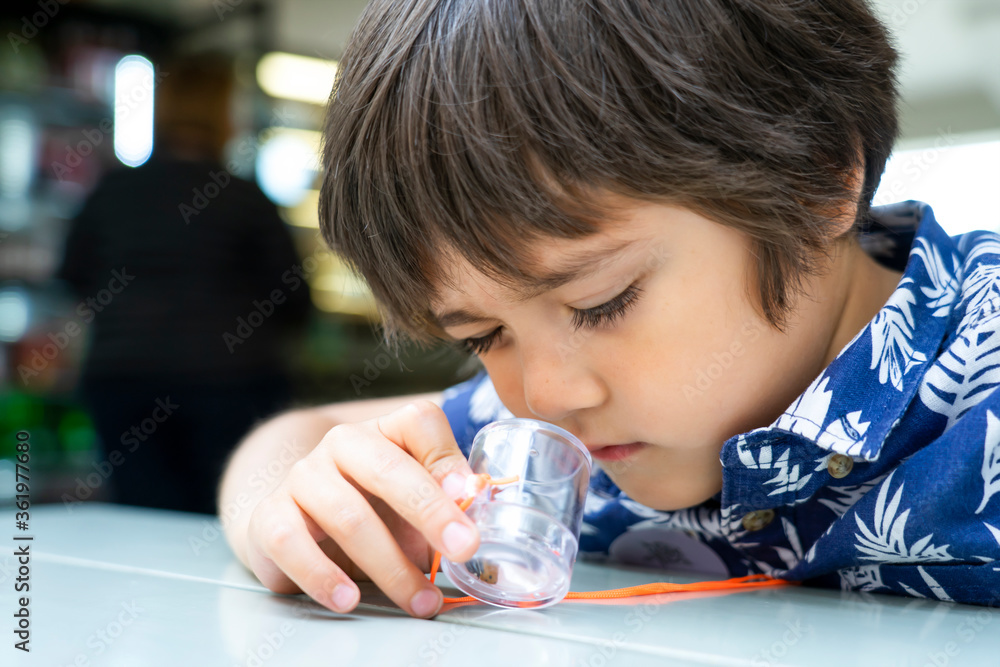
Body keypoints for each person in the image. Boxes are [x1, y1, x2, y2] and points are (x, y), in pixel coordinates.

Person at [217, 0, 1000, 616]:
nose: (547, 398)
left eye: (600, 302)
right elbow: (299, 434)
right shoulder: (546, 427)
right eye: (485, 333)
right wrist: (281, 512)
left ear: (818, 180)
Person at [59, 53, 311, 514]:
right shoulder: (244, 199)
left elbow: (72, 275)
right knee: (228, 522)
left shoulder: (112, 192)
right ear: (224, 115)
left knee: (139, 520)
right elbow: (293, 297)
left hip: (123, 379)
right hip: (229, 383)